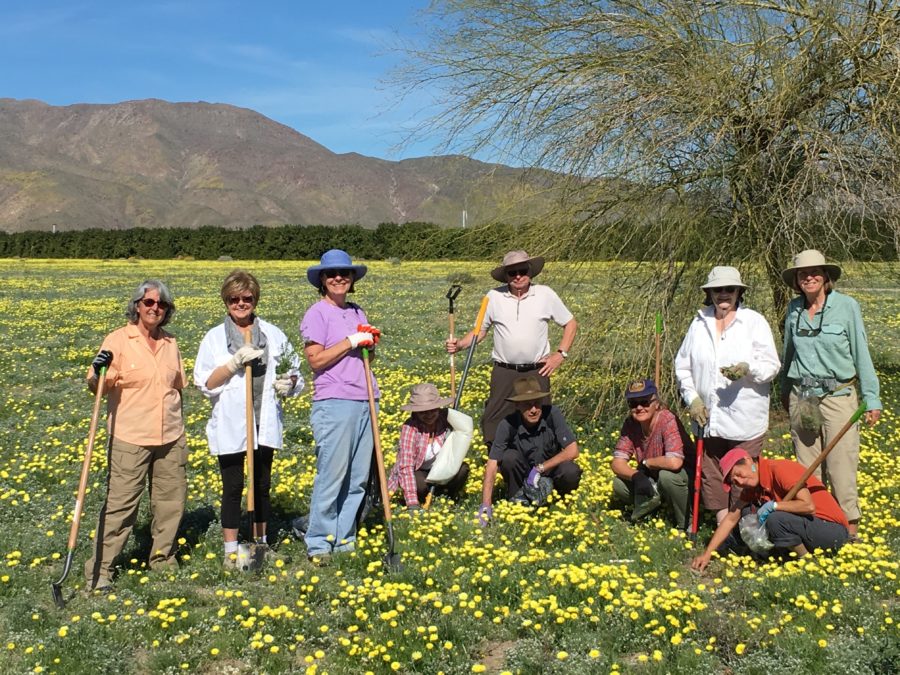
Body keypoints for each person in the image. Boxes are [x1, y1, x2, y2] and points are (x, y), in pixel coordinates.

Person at [193, 270, 304, 569]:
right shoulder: (214, 338)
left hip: (262, 421)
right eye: (234, 299)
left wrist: (290, 384)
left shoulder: (273, 334)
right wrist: (232, 364)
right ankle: (231, 549)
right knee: (233, 486)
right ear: (226, 301)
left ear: (255, 299)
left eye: (247, 298)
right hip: (231, 423)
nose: (241, 303)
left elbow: (296, 372)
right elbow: (205, 383)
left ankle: (260, 544)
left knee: (261, 486)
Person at [84, 280, 188, 591]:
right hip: (130, 437)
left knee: (170, 502)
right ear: (137, 306)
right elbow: (96, 385)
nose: (155, 308)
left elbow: (178, 387)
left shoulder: (171, 344)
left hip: (170, 436)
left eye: (162, 304)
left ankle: (162, 558)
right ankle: (100, 571)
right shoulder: (118, 339)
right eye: (149, 303)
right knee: (121, 505)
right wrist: (99, 369)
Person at [780, 249, 881, 537]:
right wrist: (786, 393)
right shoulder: (793, 309)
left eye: (814, 272)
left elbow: (861, 352)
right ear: (797, 281)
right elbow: (789, 353)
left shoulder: (847, 307)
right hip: (803, 397)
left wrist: (871, 397)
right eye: (802, 274)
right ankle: (817, 522)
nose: (808, 277)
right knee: (806, 465)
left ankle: (849, 527)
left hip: (839, 397)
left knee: (841, 465)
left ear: (826, 277)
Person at [674, 266, 780, 526]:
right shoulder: (699, 323)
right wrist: (693, 399)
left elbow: (771, 366)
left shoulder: (754, 322)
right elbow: (682, 366)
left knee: (742, 474)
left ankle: (744, 525)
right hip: (709, 417)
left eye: (729, 289)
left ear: (738, 292)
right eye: (718, 289)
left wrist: (747, 368)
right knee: (711, 472)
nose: (724, 294)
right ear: (709, 293)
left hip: (744, 416)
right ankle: (724, 526)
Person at [446, 250, 577, 450]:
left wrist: (561, 354)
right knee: (494, 417)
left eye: (522, 270)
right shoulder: (493, 296)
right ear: (505, 275)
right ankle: (498, 460)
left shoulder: (545, 294)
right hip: (504, 370)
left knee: (538, 416)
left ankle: (539, 461)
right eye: (512, 272)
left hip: (537, 369)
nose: (517, 276)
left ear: (530, 272)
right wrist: (460, 345)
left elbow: (570, 323)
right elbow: (479, 331)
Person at [300, 249, 380, 565]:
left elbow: (367, 358)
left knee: (358, 478)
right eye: (332, 274)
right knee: (332, 475)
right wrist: (350, 341)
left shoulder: (358, 311)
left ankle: (344, 538)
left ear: (352, 279)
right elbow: (315, 359)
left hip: (365, 399)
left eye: (344, 274)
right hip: (334, 402)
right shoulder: (316, 314)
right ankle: (319, 542)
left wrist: (370, 343)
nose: (338, 278)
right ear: (322, 279)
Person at [691, 448, 849, 572]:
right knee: (747, 513)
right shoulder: (753, 485)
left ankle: (807, 563)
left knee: (775, 519)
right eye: (734, 482)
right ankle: (780, 555)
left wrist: (775, 506)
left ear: (748, 461)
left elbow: (808, 506)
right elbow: (732, 517)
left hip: (831, 530)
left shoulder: (779, 469)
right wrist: (708, 553)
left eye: (738, 474)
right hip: (808, 527)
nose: (739, 481)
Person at [478, 376, 582, 525]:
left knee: (570, 470)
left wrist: (540, 469)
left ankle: (562, 502)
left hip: (550, 469)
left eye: (536, 403)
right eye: (527, 405)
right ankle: (517, 502)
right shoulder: (507, 424)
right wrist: (486, 505)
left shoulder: (552, 414)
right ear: (517, 406)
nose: (533, 410)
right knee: (508, 458)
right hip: (523, 474)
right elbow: (492, 464)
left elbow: (573, 451)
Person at [610, 379, 691, 526]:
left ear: (656, 404)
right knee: (619, 483)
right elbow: (617, 462)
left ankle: (684, 522)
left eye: (645, 402)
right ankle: (652, 510)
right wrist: (636, 476)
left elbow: (674, 462)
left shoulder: (667, 419)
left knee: (667, 477)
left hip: (683, 476)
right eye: (633, 404)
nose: (639, 408)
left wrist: (647, 463)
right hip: (652, 476)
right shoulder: (630, 424)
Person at [387, 383, 472, 511]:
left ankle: (447, 497)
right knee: (419, 485)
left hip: (441, 469)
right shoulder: (410, 428)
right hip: (418, 470)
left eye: (433, 410)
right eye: (423, 412)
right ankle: (422, 498)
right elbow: (406, 466)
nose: (429, 415)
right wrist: (412, 503)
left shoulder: (446, 421)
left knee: (463, 469)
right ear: (415, 411)